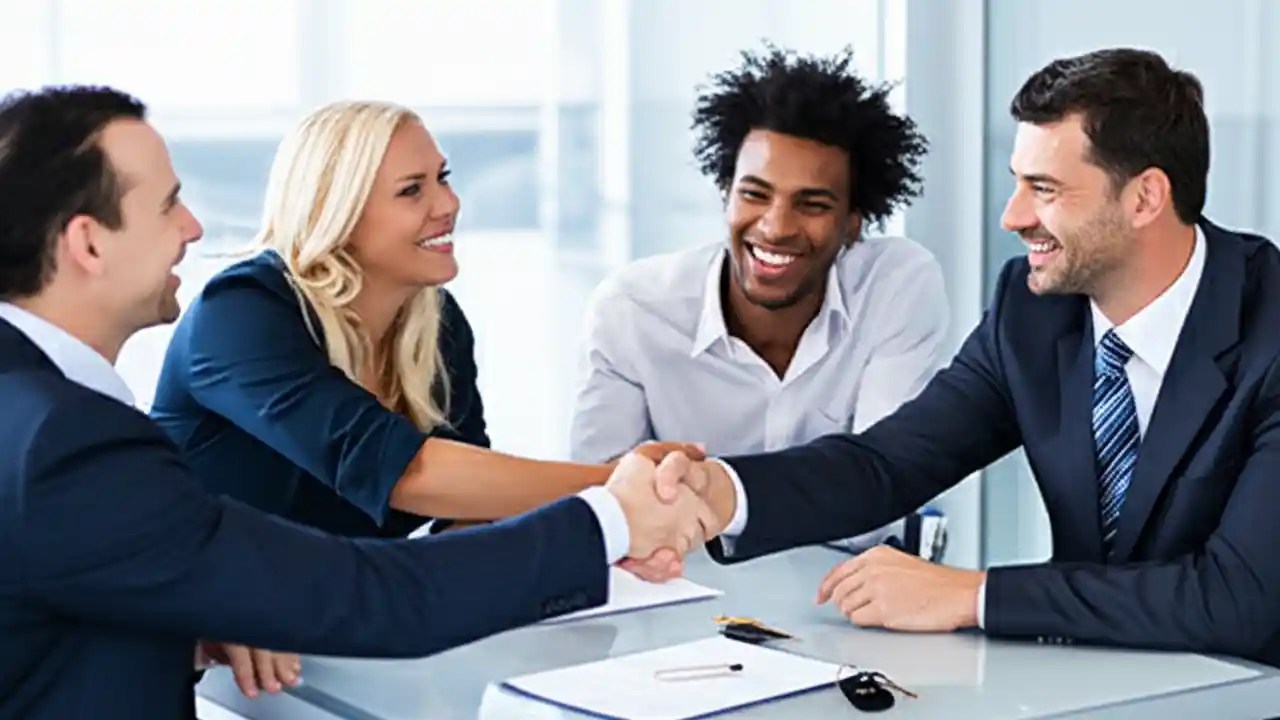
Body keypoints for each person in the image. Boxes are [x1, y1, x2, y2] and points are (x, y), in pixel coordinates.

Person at [0, 85, 713, 719]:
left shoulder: (433, 323)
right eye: (167, 205)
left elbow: (460, 512)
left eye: (443, 178)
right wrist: (613, 504)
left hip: (302, 642)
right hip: (292, 663)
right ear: (88, 244)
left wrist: (207, 608)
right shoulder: (97, 413)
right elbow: (399, 488)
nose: (193, 227)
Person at [644, 48, 1280, 666]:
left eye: (1045, 189)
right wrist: (721, 493)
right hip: (1098, 683)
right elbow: (889, 463)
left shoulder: (1268, 330)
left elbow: (1235, 601)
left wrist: (972, 595)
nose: (1012, 216)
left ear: (1144, 198)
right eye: (1016, 183)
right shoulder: (1033, 313)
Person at [570, 45, 948, 559]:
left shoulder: (897, 285)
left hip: (848, 599)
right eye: (754, 194)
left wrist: (702, 497)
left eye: (812, 205)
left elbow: (877, 498)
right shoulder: (633, 310)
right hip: (678, 592)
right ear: (725, 192)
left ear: (854, 222)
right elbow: (604, 504)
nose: (776, 227)